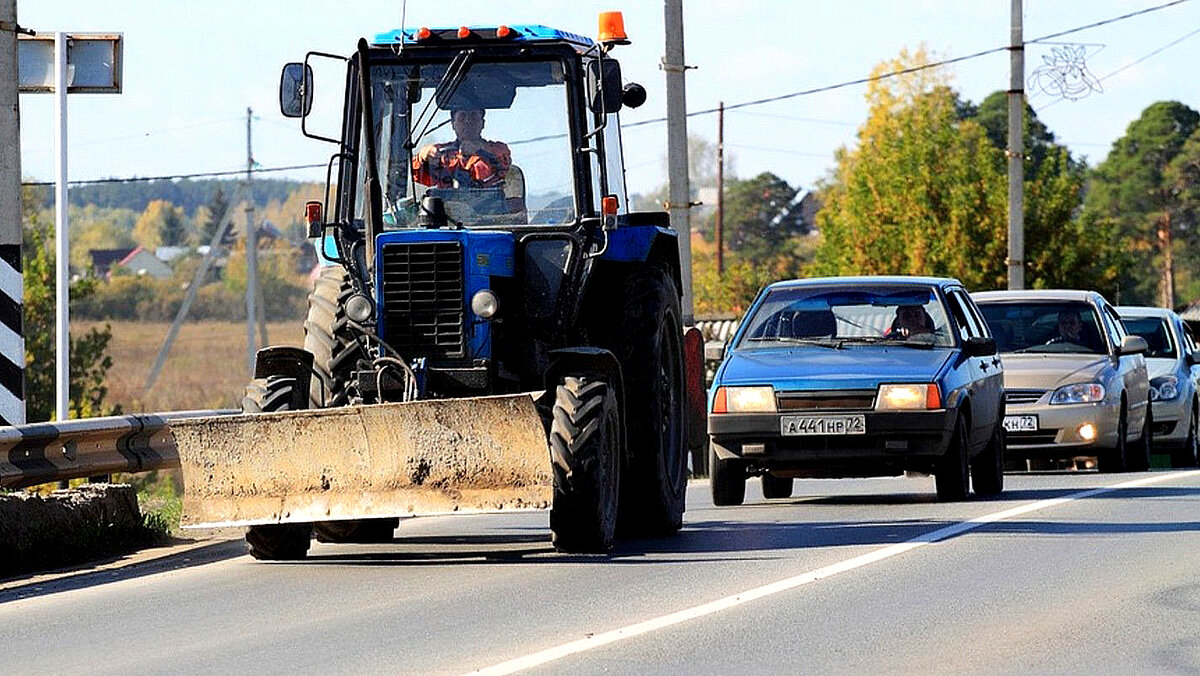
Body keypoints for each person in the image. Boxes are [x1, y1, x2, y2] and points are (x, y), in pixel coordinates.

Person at [412, 108, 511, 190]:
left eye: (473, 117)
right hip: (449, 209)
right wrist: (423, 157)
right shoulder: (442, 153)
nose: (467, 122)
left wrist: (480, 149)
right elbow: (417, 175)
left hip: (490, 208)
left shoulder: (497, 150)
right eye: (462, 118)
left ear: (482, 124)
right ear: (453, 124)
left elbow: (503, 164)